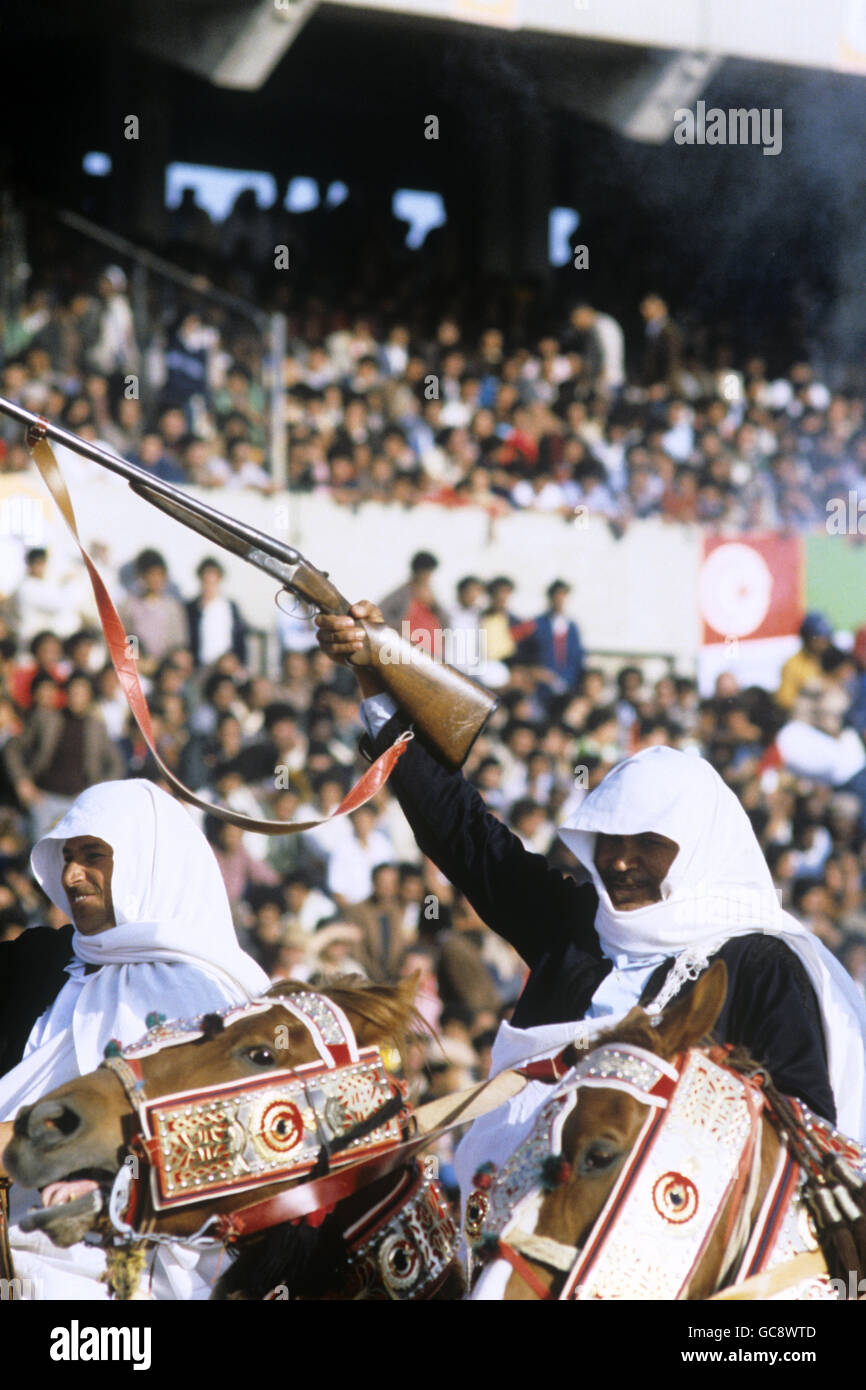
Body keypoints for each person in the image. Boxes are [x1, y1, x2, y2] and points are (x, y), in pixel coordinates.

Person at [314, 601, 866, 1145]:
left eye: (647, 843)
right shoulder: (575, 924)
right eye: (608, 840)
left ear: (699, 848)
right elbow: (461, 834)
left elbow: (803, 1124)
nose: (619, 861)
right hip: (501, 1213)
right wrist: (377, 677)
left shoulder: (761, 964)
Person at [0, 779, 270, 1299]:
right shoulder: (45, 965)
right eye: (68, 857)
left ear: (148, 861)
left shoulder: (215, 995)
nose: (73, 875)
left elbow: (182, 1150)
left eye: (93, 855)